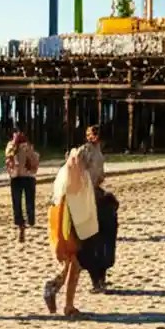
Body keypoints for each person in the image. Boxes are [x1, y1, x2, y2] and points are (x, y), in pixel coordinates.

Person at [44, 149, 99, 317]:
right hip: (69, 229)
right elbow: (79, 205)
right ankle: (67, 304)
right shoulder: (75, 176)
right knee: (74, 265)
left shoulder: (64, 172)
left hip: (59, 226)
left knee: (69, 265)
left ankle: (53, 288)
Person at [76, 124, 119, 292]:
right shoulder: (85, 150)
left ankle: (100, 279)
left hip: (94, 192)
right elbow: (75, 168)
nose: (90, 137)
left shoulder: (98, 151)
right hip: (87, 194)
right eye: (88, 134)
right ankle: (97, 280)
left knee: (102, 239)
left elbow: (98, 174)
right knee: (93, 240)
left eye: (93, 134)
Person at [6, 131, 41, 243]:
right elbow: (8, 156)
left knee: (25, 201)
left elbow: (34, 159)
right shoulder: (13, 146)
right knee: (21, 200)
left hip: (23, 176)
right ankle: (24, 221)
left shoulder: (25, 146)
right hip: (21, 177)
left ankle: (26, 220)